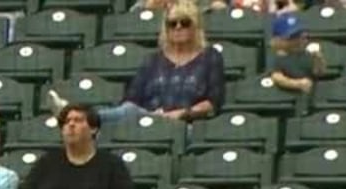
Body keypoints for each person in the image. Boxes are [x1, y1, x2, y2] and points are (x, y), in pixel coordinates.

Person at [47, 0, 224, 127]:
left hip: (187, 125)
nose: (178, 27)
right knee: (128, 110)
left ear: (195, 27)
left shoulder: (209, 57)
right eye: (172, 23)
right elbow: (132, 99)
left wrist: (181, 114)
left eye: (184, 23)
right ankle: (77, 116)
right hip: (148, 119)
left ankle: (77, 117)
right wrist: (153, 116)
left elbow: (212, 102)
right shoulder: (153, 60)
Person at [267, 13, 324, 95]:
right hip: (286, 95)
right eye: (293, 37)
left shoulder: (307, 54)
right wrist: (297, 84)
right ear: (279, 40)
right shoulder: (278, 57)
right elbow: (277, 77)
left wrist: (318, 59)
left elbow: (318, 73)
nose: (298, 40)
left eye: (300, 35)